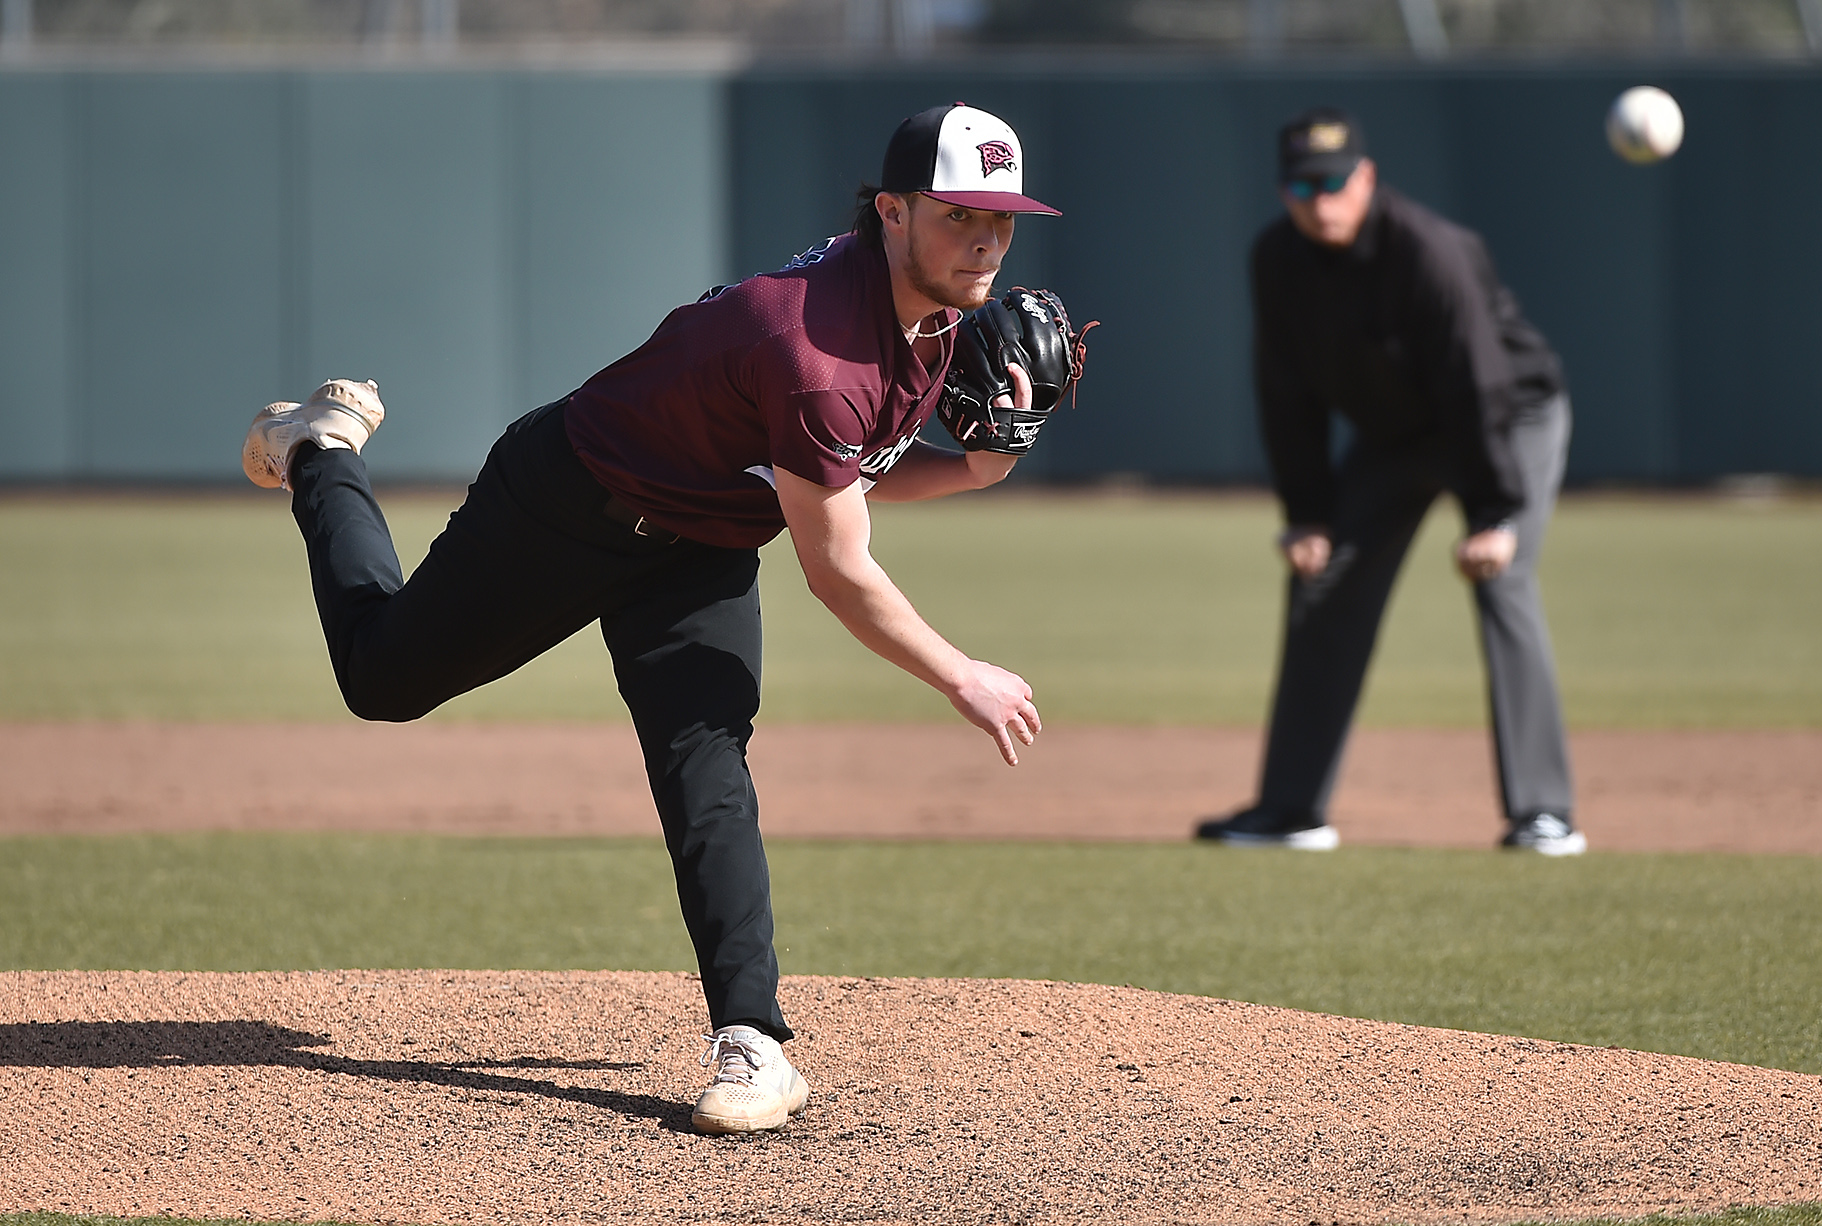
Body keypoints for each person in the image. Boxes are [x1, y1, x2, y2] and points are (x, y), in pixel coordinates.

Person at [241, 103, 1059, 1133]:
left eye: (1000, 218)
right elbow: (838, 568)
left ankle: (752, 1042)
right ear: (891, 213)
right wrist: (960, 674)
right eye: (957, 215)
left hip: (702, 544)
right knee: (381, 680)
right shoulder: (816, 347)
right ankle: (322, 451)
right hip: (567, 499)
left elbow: (838, 470)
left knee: (705, 760)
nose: (984, 241)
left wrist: (974, 468)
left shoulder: (930, 318)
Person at [1196, 108, 1585, 856]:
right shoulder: (1276, 259)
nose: (1320, 200)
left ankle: (1543, 812)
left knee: (1502, 579)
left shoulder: (1430, 251)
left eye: (1334, 182)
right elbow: (1285, 392)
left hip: (1508, 419)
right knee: (1323, 579)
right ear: (1282, 192)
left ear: (1367, 178)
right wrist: (1308, 513)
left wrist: (1494, 512)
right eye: (1303, 186)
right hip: (1397, 436)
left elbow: (1478, 381)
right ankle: (1291, 809)